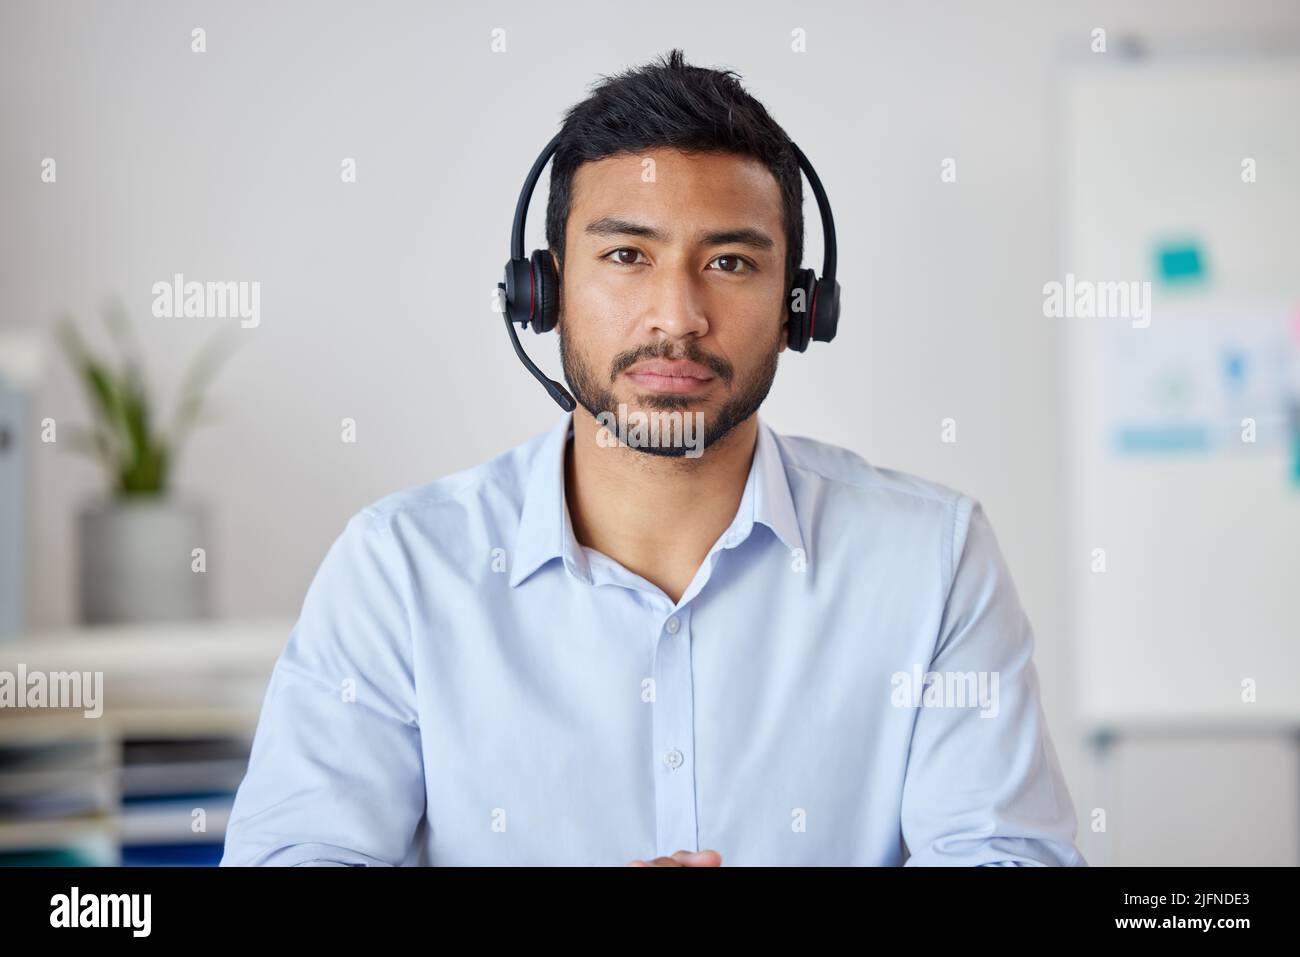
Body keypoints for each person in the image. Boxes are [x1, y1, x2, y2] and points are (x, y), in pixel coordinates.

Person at [220, 49, 1085, 867]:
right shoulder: (398, 571)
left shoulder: (931, 558)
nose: (676, 316)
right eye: (627, 255)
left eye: (731, 261)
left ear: (799, 307)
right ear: (545, 289)